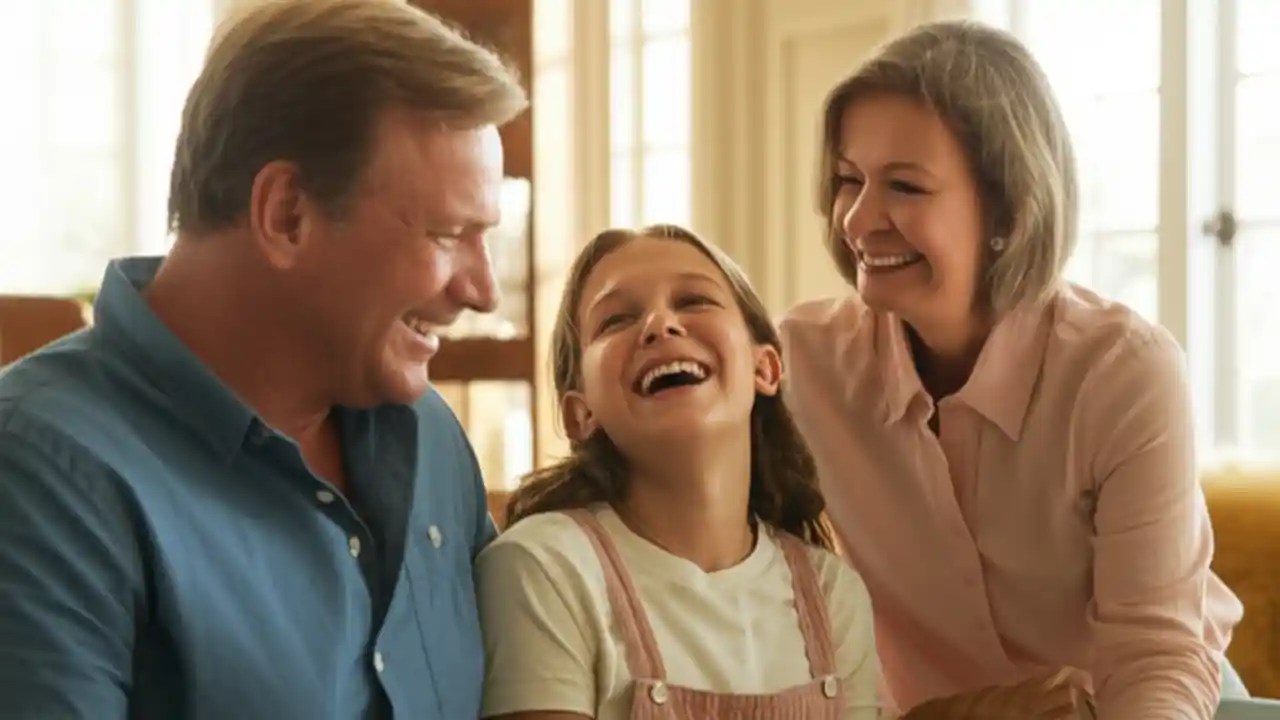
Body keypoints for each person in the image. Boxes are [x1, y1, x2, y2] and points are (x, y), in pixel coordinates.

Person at [0, 1, 526, 717]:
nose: (483, 291)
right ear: (287, 215)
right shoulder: (42, 473)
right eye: (447, 233)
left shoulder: (429, 435)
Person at [779, 20, 1245, 720]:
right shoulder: (798, 364)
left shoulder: (1123, 374)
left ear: (1007, 207)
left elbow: (1157, 656)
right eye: (849, 180)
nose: (858, 218)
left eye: (905, 186)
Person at [474, 224, 881, 719]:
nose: (660, 325)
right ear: (580, 414)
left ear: (766, 369)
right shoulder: (543, 569)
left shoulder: (832, 595)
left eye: (694, 301)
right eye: (616, 319)